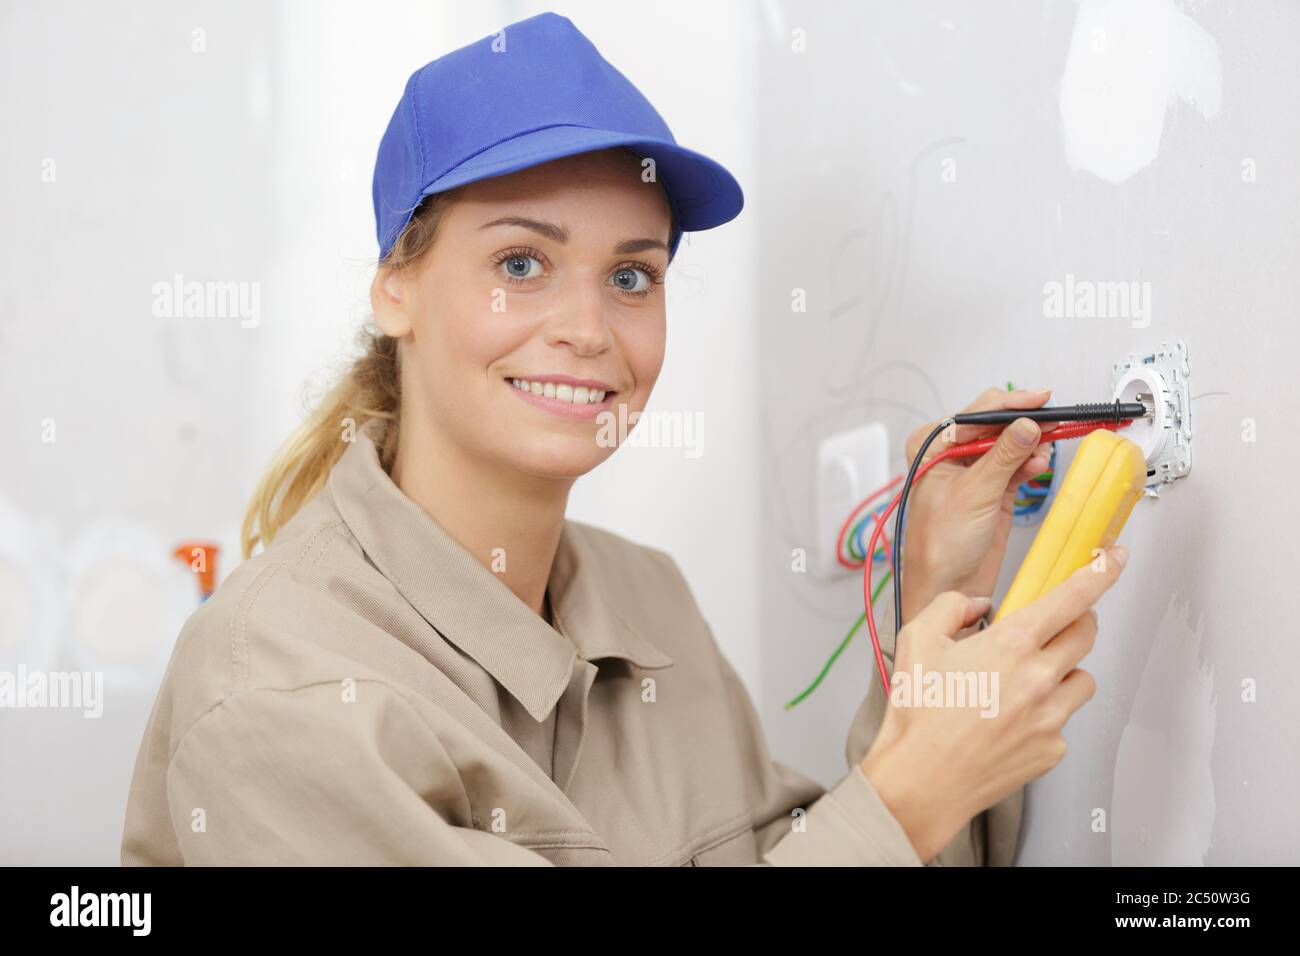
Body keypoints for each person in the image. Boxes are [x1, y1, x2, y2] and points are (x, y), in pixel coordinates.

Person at [121, 12, 1126, 866]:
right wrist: (903, 796)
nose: (590, 329)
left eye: (632, 274)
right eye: (521, 261)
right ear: (396, 287)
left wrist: (936, 595)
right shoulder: (280, 694)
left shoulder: (649, 603)